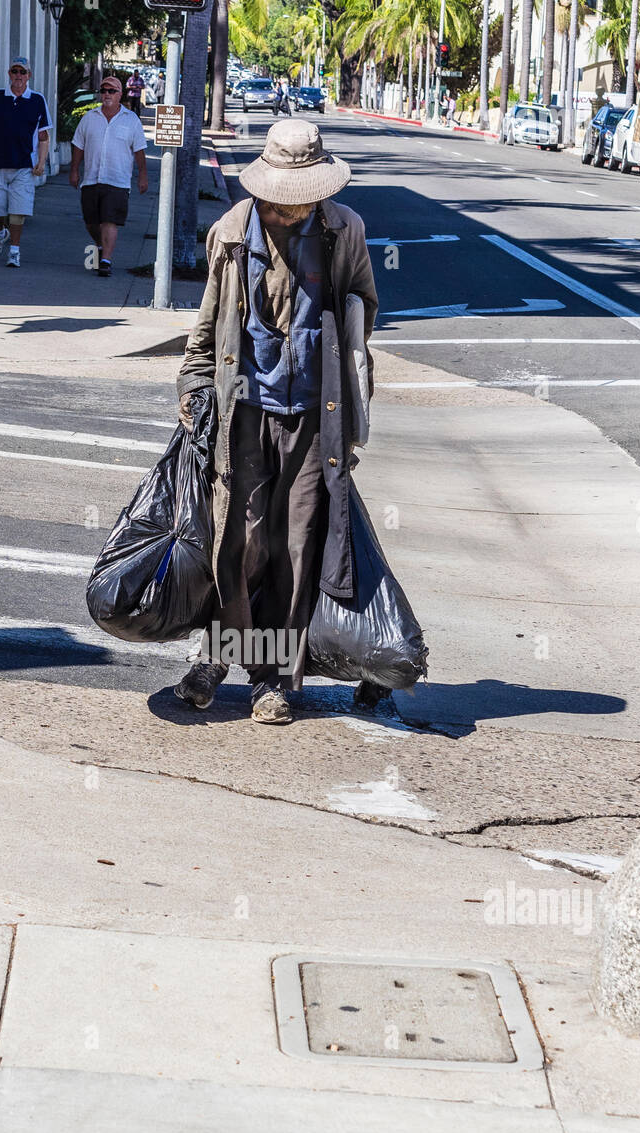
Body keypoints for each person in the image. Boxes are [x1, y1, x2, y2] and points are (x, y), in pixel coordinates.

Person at [174, 120, 378, 726]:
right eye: (283, 196)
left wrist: (349, 353)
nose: (292, 207)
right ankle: (218, 657)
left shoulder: (344, 231)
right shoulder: (231, 234)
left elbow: (366, 304)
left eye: (304, 195)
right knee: (238, 544)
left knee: (297, 547)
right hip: (245, 410)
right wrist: (191, 386)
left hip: (317, 417)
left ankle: (268, 680)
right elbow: (207, 330)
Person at [69, 75, 148, 278]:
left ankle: (106, 260)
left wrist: (142, 176)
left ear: (120, 94)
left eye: (111, 91)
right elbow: (78, 145)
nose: (107, 94)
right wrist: (74, 170)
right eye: (104, 90)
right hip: (91, 178)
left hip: (118, 181)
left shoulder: (131, 120)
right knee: (91, 221)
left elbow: (139, 151)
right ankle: (100, 245)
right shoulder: (89, 118)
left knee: (109, 221)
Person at [0, 56, 52, 268]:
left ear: (29, 76)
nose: (18, 76)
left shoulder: (37, 100)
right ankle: (0, 233)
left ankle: (14, 251)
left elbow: (43, 136)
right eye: (15, 71)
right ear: (9, 74)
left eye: (22, 72)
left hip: (24, 165)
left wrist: (41, 161)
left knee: (18, 210)